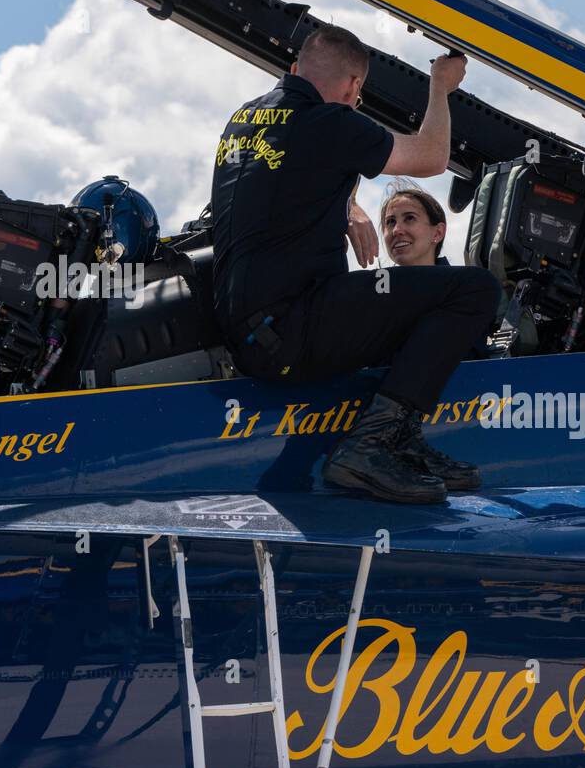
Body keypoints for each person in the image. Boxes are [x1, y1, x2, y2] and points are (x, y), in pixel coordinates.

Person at [210, 26, 499, 505]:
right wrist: (440, 87)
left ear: (296, 68)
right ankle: (373, 444)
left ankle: (402, 441)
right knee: (474, 290)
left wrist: (351, 208)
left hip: (247, 332)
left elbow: (288, 187)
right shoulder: (331, 124)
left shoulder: (243, 121)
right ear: (352, 88)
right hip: (295, 331)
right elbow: (430, 157)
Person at [380, 181, 449, 267]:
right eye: (391, 221)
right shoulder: (371, 280)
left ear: (438, 233)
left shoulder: (465, 279)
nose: (396, 230)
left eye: (409, 218)